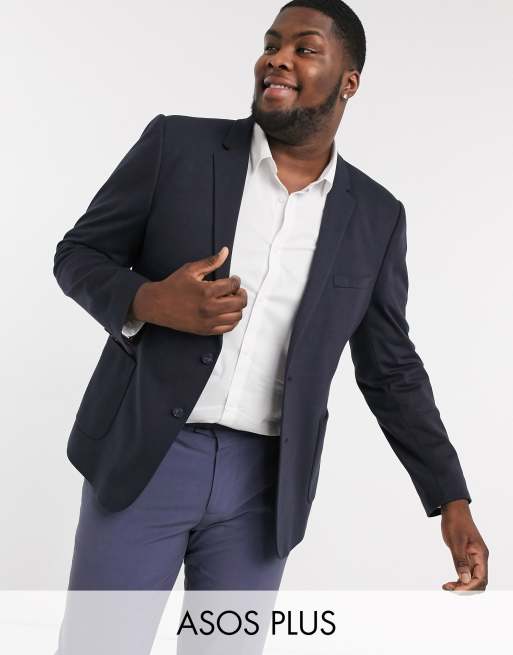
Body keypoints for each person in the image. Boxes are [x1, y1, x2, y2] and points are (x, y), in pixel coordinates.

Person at [54, 0, 489, 652]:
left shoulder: (374, 216)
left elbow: (390, 368)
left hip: (265, 490)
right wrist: (148, 301)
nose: (277, 59)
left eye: (304, 48)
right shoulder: (177, 146)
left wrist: (449, 498)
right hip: (146, 457)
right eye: (271, 44)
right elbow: (79, 254)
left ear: (348, 81)